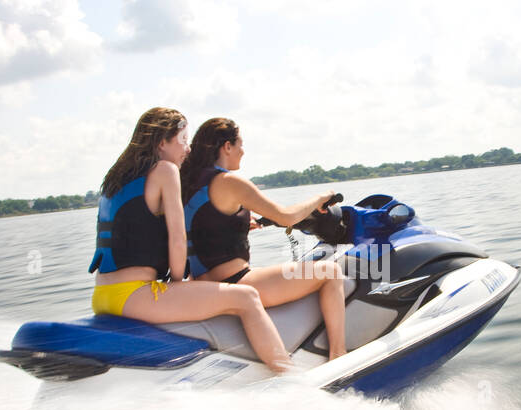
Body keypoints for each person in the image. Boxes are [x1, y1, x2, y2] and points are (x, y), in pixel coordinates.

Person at [89, 107, 291, 373]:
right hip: (134, 295)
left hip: (103, 295)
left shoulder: (116, 178)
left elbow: (138, 227)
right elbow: (177, 237)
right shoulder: (165, 170)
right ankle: (289, 377)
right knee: (247, 298)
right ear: (162, 142)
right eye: (183, 140)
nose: (188, 149)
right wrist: (176, 285)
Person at [180, 117, 347, 359]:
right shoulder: (228, 181)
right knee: (331, 273)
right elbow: (285, 216)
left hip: (201, 285)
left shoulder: (190, 183)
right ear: (226, 146)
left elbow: (203, 224)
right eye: (240, 144)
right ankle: (338, 355)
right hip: (237, 281)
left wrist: (237, 226)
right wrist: (320, 198)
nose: (243, 151)